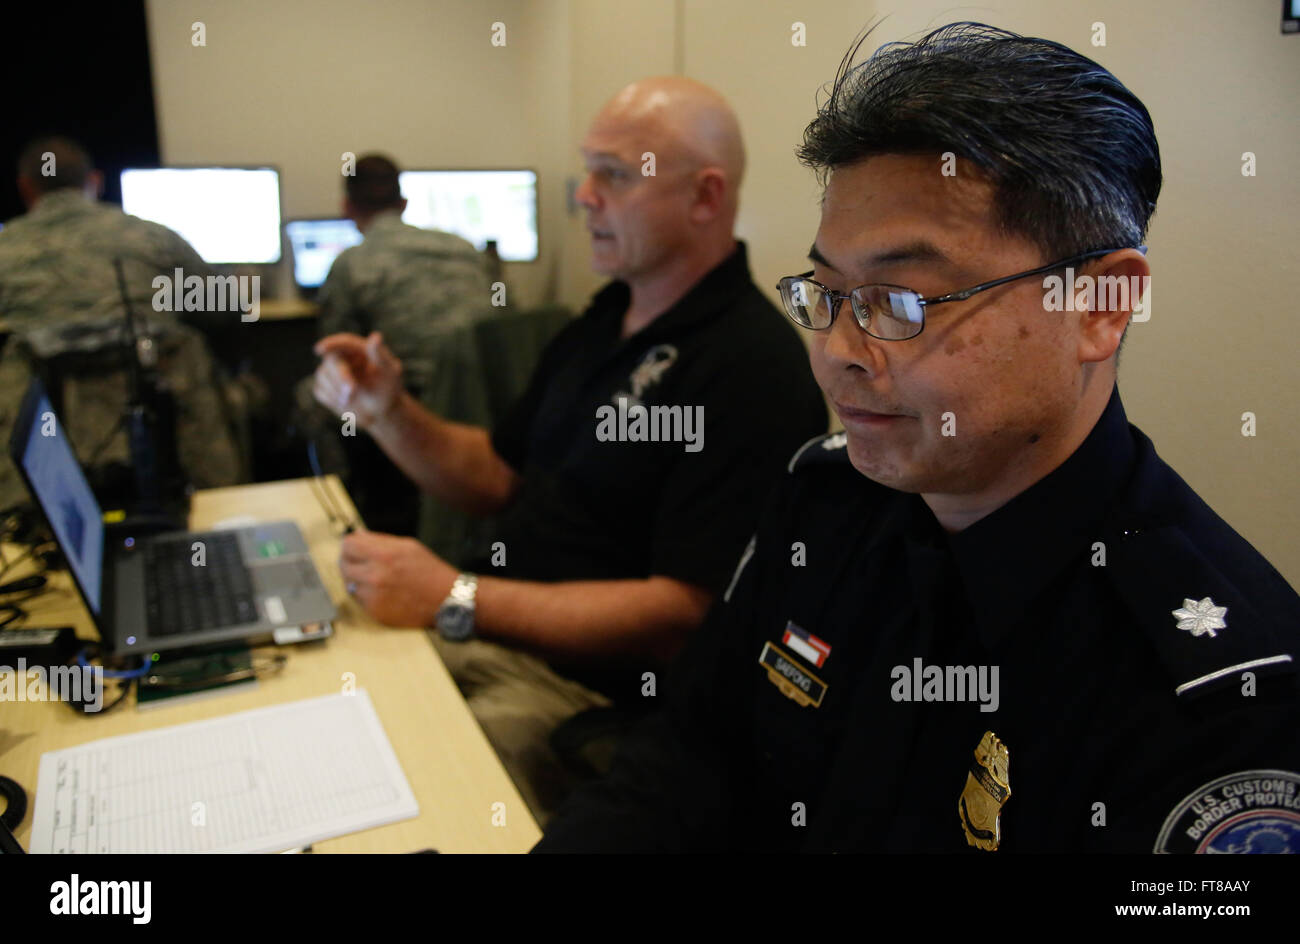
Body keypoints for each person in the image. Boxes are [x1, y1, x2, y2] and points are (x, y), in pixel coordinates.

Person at [535, 24, 1300, 853]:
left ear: (1100, 305)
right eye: (825, 293)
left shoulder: (1222, 700)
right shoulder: (825, 502)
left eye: (899, 301)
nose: (837, 356)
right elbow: (688, 758)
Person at [312, 77, 828, 821]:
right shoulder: (604, 320)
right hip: (500, 637)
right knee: (328, 681)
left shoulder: (754, 366)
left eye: (613, 176)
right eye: (585, 172)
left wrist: (455, 597)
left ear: (705, 198)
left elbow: (680, 614)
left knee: (394, 790)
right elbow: (496, 475)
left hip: (594, 695)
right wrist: (387, 411)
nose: (583, 197)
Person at [0, 136, 244, 509]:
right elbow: (228, 308)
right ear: (94, 181)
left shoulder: (6, 249)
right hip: (174, 444)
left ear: (25, 188)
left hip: (44, 467)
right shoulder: (151, 236)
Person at [304, 154, 494, 536]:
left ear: (347, 208)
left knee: (311, 397)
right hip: (487, 398)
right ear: (403, 204)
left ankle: (352, 517)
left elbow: (335, 353)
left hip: (410, 405)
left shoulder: (350, 263)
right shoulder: (464, 248)